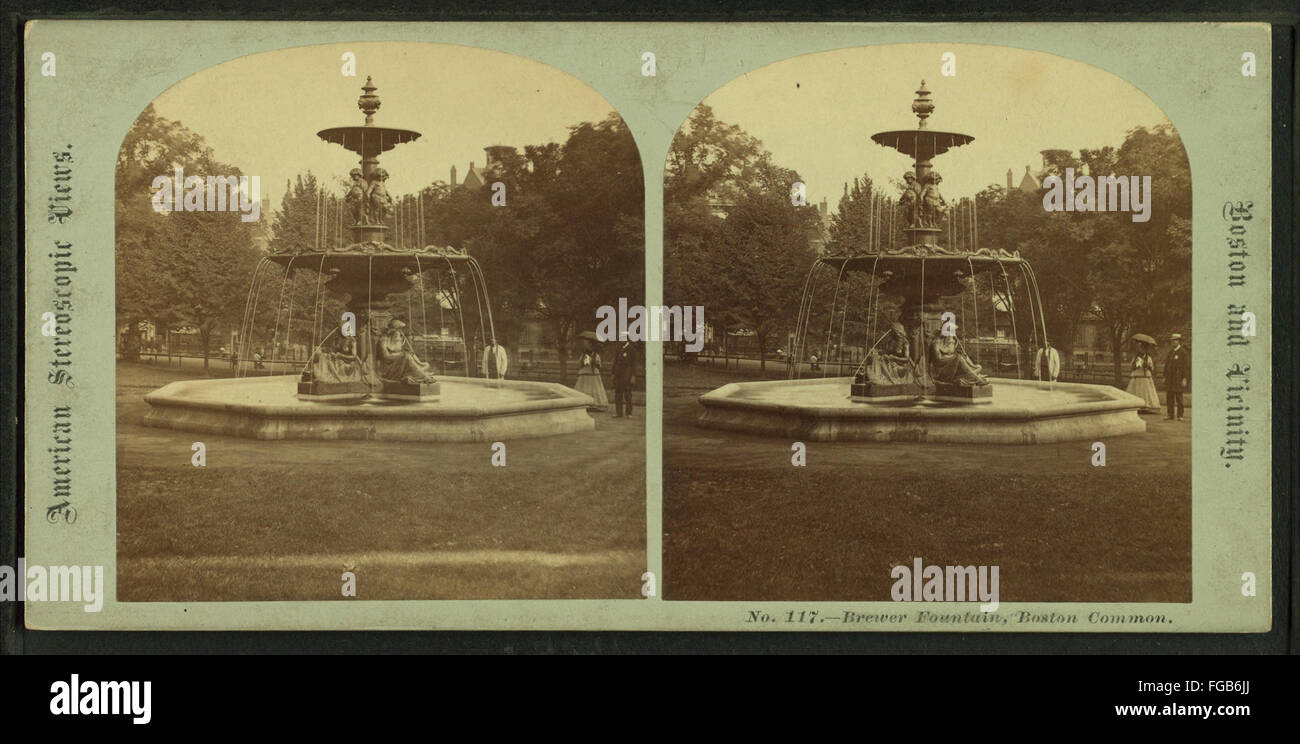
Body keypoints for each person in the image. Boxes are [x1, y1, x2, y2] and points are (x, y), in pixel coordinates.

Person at [377, 319, 437, 384]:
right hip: (388, 367)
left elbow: (397, 350)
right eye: (399, 329)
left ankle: (418, 376)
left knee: (408, 355)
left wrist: (403, 352)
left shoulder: (396, 341)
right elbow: (386, 356)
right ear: (393, 330)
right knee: (406, 356)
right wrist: (401, 355)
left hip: (397, 363)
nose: (400, 332)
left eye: (401, 330)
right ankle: (423, 377)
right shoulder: (383, 340)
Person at [573, 340, 608, 411]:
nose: (589, 348)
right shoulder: (584, 355)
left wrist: (595, 362)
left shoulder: (596, 355)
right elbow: (581, 364)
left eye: (591, 346)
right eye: (588, 346)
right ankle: (583, 403)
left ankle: (596, 403)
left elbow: (599, 365)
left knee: (594, 388)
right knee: (584, 387)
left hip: (593, 374)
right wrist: (586, 361)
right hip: (585, 373)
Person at [1126, 340, 1161, 413]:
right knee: (1136, 389)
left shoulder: (1148, 358)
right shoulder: (1136, 357)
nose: (1141, 350)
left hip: (1145, 376)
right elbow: (1132, 366)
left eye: (1143, 348)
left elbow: (1152, 367)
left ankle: (1146, 405)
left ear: (1145, 349)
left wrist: (1147, 365)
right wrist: (1136, 365)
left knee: (1146, 390)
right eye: (1140, 348)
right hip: (1137, 375)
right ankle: (1135, 405)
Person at [1163, 333, 1190, 421]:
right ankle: (1170, 414)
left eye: (1175, 340)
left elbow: (1186, 367)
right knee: (1169, 397)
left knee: (1179, 397)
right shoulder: (1170, 352)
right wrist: (1164, 376)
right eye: (1172, 340)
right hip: (1170, 378)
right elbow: (1166, 365)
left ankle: (1180, 415)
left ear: (1179, 341)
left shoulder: (1183, 352)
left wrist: (1185, 378)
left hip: (1178, 378)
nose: (1173, 342)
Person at [612, 337, 637, 418]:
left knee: (628, 394)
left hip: (627, 375)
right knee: (618, 394)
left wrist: (633, 375)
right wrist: (613, 373)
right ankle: (619, 413)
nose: (621, 340)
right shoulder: (618, 348)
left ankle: (629, 413)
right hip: (618, 375)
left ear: (627, 339)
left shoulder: (631, 349)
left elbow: (634, 364)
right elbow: (615, 362)